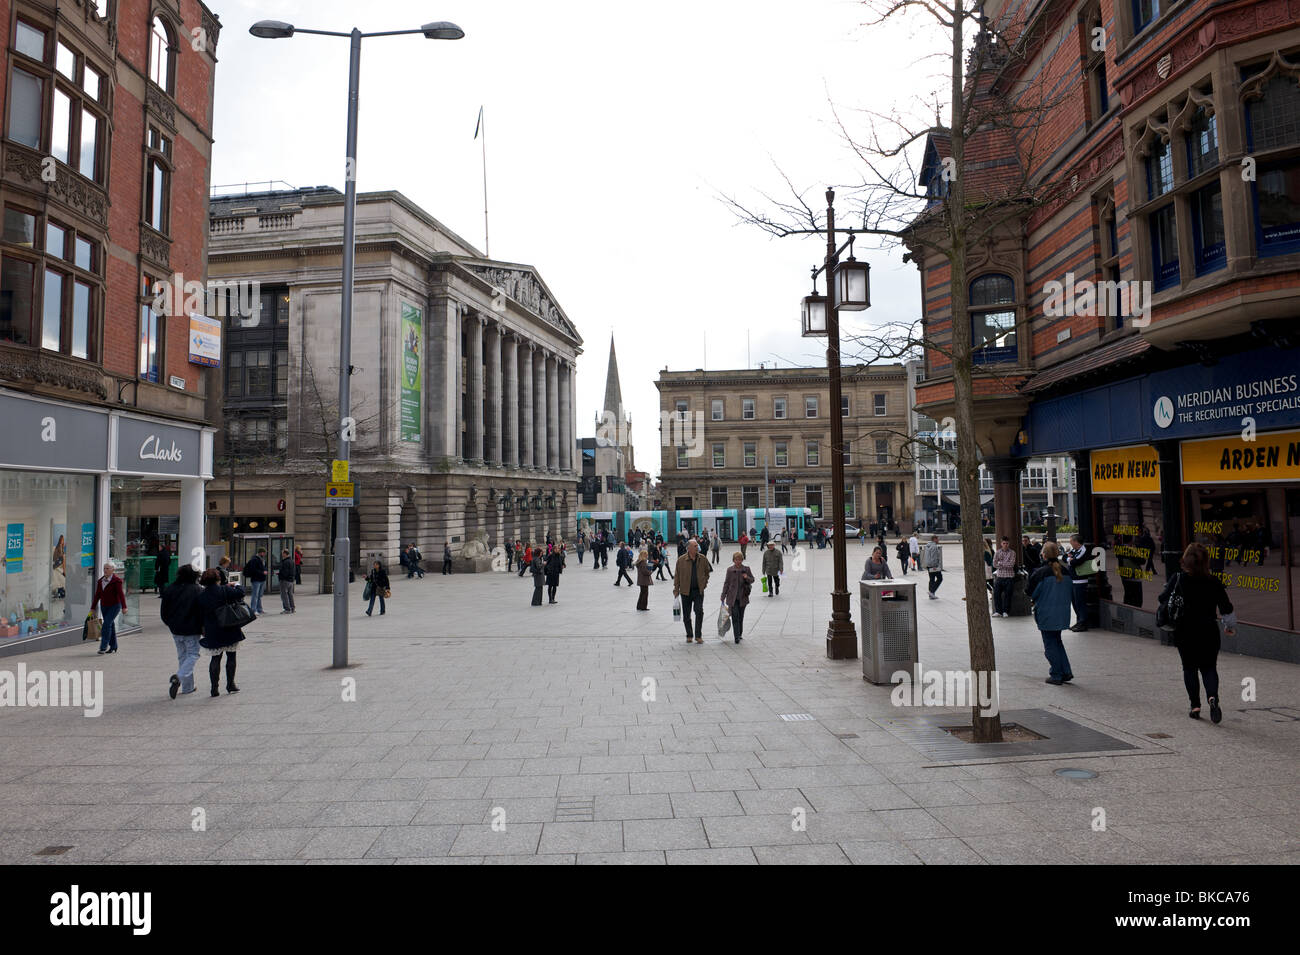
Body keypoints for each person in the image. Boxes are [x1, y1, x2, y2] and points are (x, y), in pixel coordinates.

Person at [1159, 542, 1236, 722]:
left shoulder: (1178, 579)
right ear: (1206, 561)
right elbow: (1226, 607)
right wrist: (1229, 626)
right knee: (1209, 667)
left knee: (1189, 668)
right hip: (1208, 630)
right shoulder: (1213, 581)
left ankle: (1195, 706)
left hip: (1185, 631)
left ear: (1186, 560)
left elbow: (1162, 598)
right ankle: (1213, 698)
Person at [1025, 542, 1075, 685]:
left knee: (1050, 645)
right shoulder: (1066, 571)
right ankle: (1066, 671)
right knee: (1057, 641)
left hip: (1046, 613)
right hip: (1062, 613)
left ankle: (1057, 674)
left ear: (1044, 554)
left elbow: (1029, 592)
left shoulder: (1040, 573)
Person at [197, 568, 245, 696]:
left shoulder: (202, 595)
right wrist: (236, 585)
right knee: (231, 656)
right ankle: (230, 684)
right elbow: (241, 593)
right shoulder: (224, 590)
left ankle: (214, 688)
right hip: (229, 625)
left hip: (212, 629)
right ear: (218, 579)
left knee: (215, 658)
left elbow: (199, 614)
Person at [160, 564, 204, 698]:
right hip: (191, 629)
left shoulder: (170, 589)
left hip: (175, 629)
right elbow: (201, 611)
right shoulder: (197, 590)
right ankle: (178, 677)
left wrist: (170, 623)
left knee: (183, 657)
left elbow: (164, 611)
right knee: (193, 655)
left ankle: (188, 687)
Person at [673, 538, 713, 643]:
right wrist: (676, 589)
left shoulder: (702, 558)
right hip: (685, 591)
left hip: (698, 591)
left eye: (697, 546)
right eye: (695, 546)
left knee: (699, 611)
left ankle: (698, 635)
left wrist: (704, 583)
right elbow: (677, 576)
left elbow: (707, 572)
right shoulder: (681, 560)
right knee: (687, 614)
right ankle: (689, 635)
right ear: (689, 548)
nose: (697, 547)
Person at [720, 551, 755, 644]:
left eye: (739, 559)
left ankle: (739, 633)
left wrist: (746, 577)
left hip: (743, 596)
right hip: (732, 597)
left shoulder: (746, 569)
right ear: (733, 560)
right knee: (735, 616)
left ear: (742, 560)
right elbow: (726, 583)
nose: (738, 561)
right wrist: (723, 595)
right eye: (736, 559)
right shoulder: (730, 570)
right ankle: (736, 637)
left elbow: (752, 580)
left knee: (741, 616)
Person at [91, 562, 126, 655]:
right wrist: (93, 607)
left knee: (106, 625)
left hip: (114, 606)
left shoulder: (117, 581)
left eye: (107, 568)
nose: (105, 570)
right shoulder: (100, 581)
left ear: (112, 570)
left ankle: (103, 647)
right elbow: (97, 595)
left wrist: (124, 607)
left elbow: (121, 594)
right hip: (104, 606)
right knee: (111, 625)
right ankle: (113, 646)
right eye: (104, 568)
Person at [1065, 535, 1090, 631]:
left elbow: (1077, 561)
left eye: (1071, 541)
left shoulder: (1083, 550)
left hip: (1080, 581)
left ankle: (1083, 623)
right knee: (1075, 602)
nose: (1070, 543)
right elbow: (1064, 557)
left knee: (1080, 603)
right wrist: (1069, 559)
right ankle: (1079, 621)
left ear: (1076, 542)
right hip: (1073, 580)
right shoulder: (1074, 550)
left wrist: (1070, 560)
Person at [992, 537, 1017, 617]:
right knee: (996, 594)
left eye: (1007, 543)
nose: (1005, 545)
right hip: (999, 576)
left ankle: (1006, 611)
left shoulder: (1012, 552)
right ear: (1001, 544)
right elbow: (994, 564)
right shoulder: (997, 552)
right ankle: (998, 611)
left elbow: (1011, 565)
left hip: (1009, 577)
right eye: (1004, 543)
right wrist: (1004, 563)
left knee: (1008, 595)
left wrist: (1000, 563)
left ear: (1008, 544)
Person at [244, 547, 268, 615]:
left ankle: (259, 609)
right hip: (256, 580)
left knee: (259, 595)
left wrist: (265, 571)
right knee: (255, 595)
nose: (264, 554)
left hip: (262, 579)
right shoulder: (254, 559)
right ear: (261, 552)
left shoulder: (262, 559)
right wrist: (262, 572)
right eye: (264, 553)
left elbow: (264, 567)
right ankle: (253, 610)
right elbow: (253, 570)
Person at [923, 534, 943, 599]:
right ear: (934, 539)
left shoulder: (927, 545)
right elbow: (934, 557)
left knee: (932, 579)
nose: (938, 540)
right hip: (933, 565)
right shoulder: (934, 546)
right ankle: (931, 592)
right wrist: (935, 566)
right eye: (937, 539)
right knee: (940, 578)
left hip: (928, 565)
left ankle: (931, 595)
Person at [278, 548, 296, 614]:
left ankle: (287, 609)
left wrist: (280, 575)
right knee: (290, 595)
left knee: (284, 595)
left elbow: (285, 572)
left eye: (282, 553)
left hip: (285, 580)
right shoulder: (292, 561)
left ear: (285, 554)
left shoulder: (285, 562)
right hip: (291, 580)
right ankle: (292, 608)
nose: (282, 554)